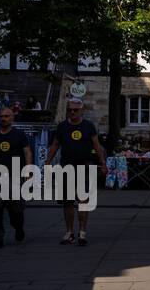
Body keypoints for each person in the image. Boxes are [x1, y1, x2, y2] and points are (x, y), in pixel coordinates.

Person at [44, 98, 107, 246]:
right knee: (67, 202)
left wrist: (102, 163)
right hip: (66, 168)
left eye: (75, 110)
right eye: (70, 110)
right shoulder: (62, 127)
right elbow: (55, 145)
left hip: (84, 167)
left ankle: (82, 232)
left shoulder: (88, 126)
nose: (72, 112)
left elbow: (97, 147)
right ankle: (69, 232)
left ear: (81, 110)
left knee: (83, 201)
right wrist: (47, 162)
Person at [0, 108, 32, 247]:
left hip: (15, 177)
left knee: (15, 211)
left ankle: (18, 228)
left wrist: (28, 171)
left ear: (12, 118)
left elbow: (27, 152)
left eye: (6, 116)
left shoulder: (19, 134)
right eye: (1, 116)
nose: (3, 118)